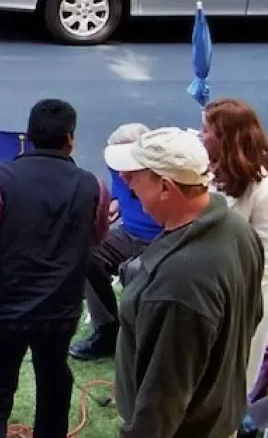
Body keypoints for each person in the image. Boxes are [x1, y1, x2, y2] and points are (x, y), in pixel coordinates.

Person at [0, 98, 111, 438]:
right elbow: (96, 238)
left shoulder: (0, 179)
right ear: (70, 139)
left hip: (4, 314)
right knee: (54, 391)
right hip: (60, 314)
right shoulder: (92, 186)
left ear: (27, 137)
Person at [105, 126, 264, 438]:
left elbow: (163, 399)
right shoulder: (237, 229)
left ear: (166, 187)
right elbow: (252, 314)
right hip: (220, 414)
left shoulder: (178, 281)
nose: (126, 182)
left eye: (136, 174)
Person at [69, 122, 164, 361]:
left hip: (162, 237)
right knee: (85, 254)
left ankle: (140, 341)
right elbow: (121, 191)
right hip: (128, 233)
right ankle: (107, 330)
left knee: (134, 271)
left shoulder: (162, 170)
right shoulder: (118, 167)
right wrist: (116, 202)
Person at [201, 100, 268, 403]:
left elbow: (262, 257)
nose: (200, 136)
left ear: (226, 137)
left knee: (233, 376)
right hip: (209, 285)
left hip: (244, 295)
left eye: (206, 130)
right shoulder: (212, 171)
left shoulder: (262, 189)